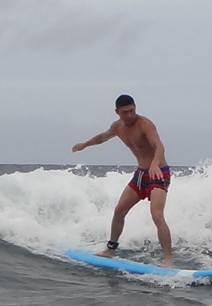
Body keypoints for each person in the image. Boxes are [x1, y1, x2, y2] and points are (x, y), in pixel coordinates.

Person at [72, 94, 173, 266]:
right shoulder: (117, 127)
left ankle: (168, 259)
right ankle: (110, 249)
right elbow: (103, 137)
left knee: (157, 215)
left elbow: (159, 146)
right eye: (125, 112)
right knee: (119, 210)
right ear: (117, 112)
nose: (130, 115)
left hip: (158, 173)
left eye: (132, 110)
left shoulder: (145, 124)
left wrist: (155, 163)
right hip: (141, 175)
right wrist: (85, 144)